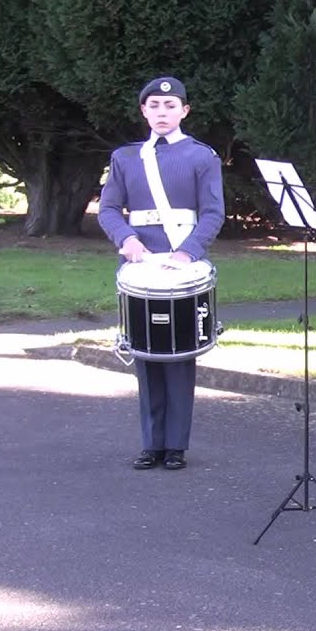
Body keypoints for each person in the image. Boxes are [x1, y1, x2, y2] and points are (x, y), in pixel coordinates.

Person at [98, 76, 225, 471]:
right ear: (143, 111)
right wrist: (127, 239)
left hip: (179, 265)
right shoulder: (125, 158)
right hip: (140, 266)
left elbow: (212, 212)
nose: (162, 112)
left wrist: (188, 252)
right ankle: (151, 444)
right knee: (145, 354)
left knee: (178, 355)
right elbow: (107, 209)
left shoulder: (202, 157)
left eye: (170, 106)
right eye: (153, 106)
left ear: (184, 111)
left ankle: (176, 446)